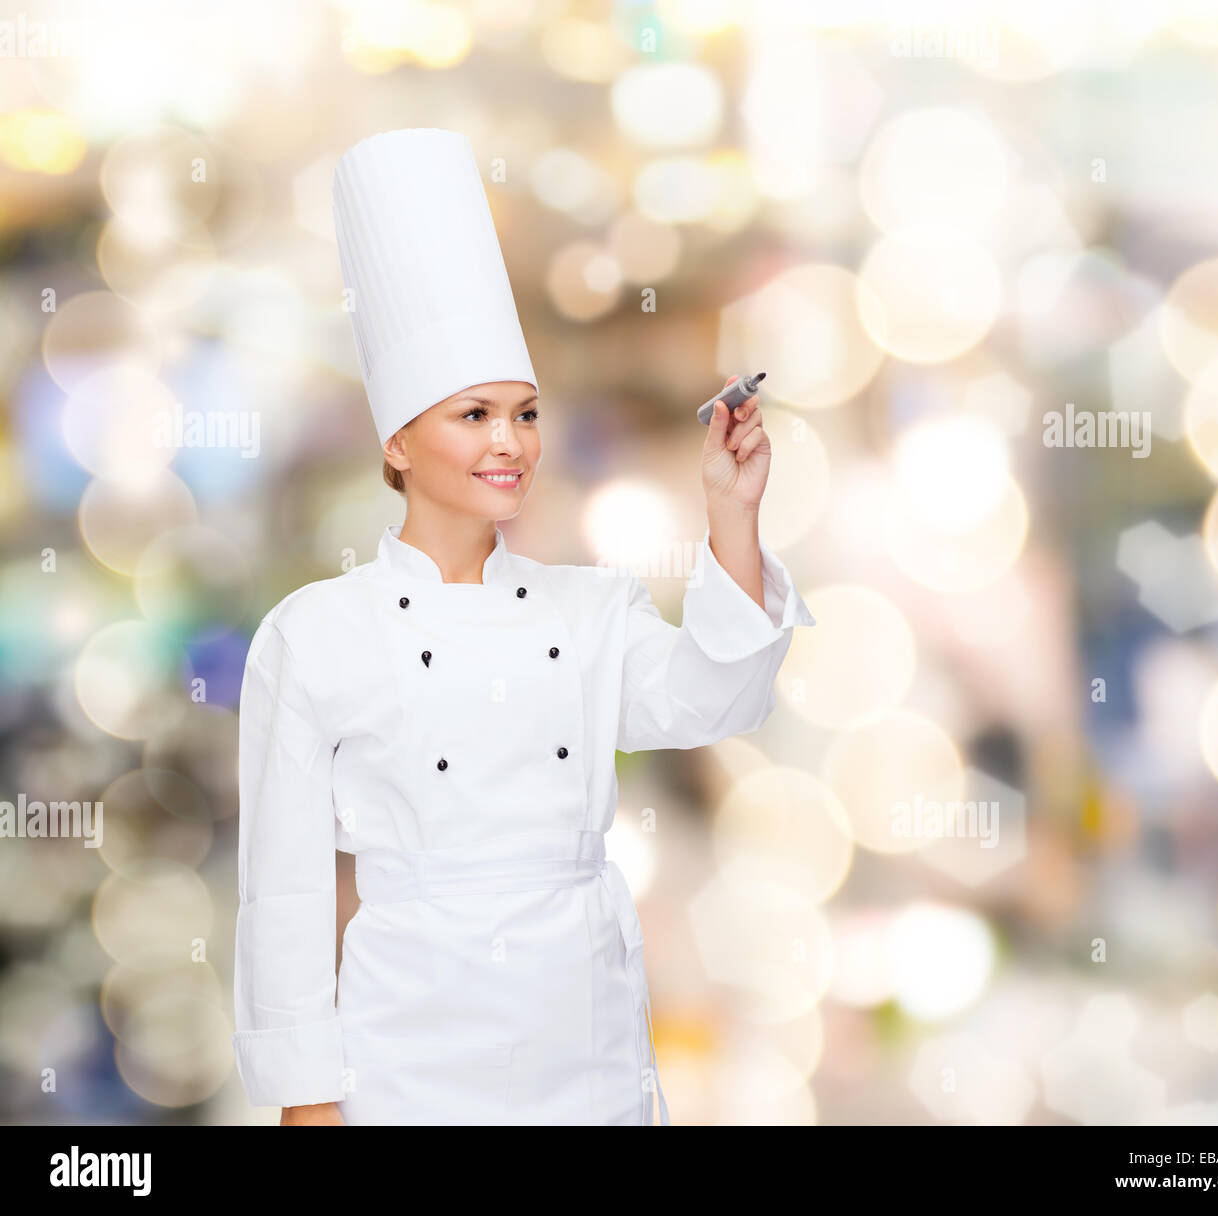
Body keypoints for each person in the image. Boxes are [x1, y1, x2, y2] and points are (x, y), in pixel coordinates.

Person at [230, 130, 816, 1125]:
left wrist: (732, 511)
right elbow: (281, 895)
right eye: (473, 415)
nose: (509, 442)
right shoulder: (313, 635)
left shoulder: (589, 610)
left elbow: (721, 696)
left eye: (526, 413)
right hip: (407, 1051)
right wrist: (306, 1102)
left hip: (581, 1041)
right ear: (398, 440)